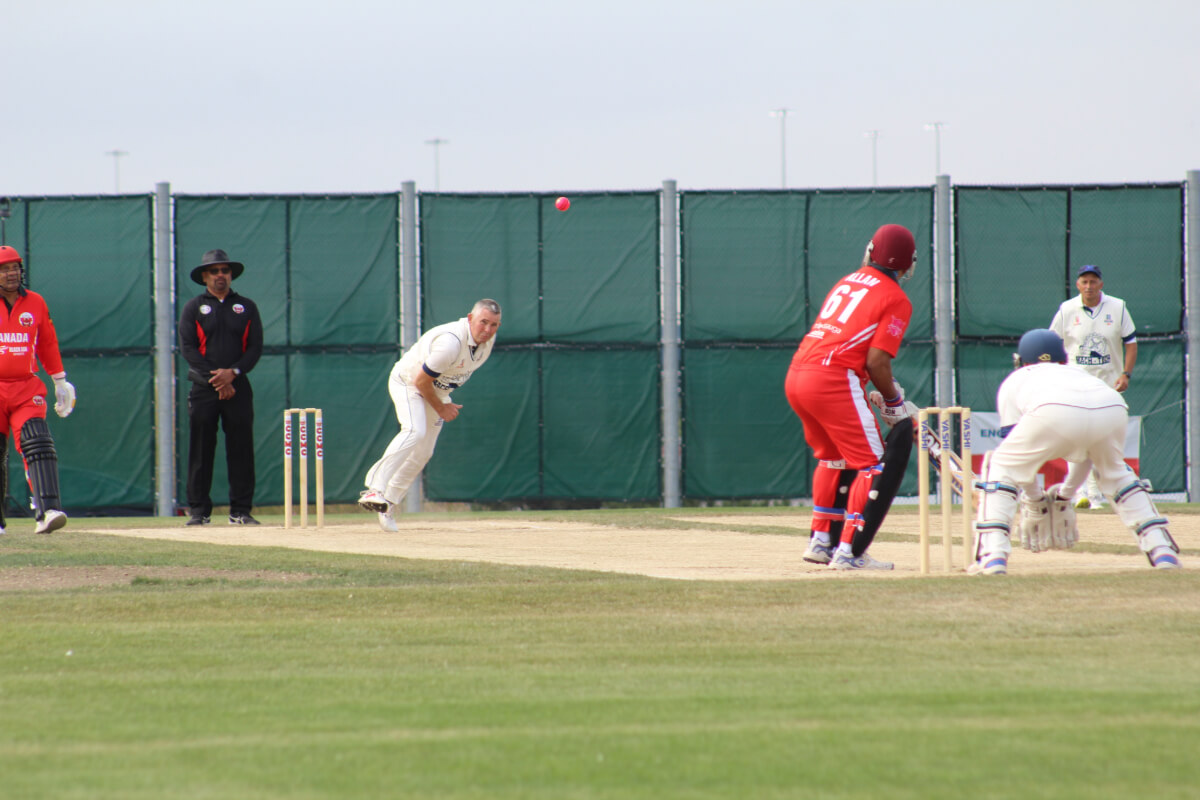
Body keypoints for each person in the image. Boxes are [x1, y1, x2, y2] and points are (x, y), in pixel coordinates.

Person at [970, 328, 1180, 575]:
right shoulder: (1078, 373)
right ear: (1063, 358)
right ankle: (1161, 549)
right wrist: (1064, 496)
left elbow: (1020, 466)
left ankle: (993, 555)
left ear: (1020, 360)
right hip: (1111, 404)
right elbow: (1087, 457)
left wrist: (1036, 500)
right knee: (1116, 472)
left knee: (1001, 466)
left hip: (1052, 409)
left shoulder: (1016, 379)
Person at [784, 224, 918, 570]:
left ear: (871, 251)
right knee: (873, 463)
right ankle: (848, 552)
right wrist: (893, 403)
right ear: (908, 263)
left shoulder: (848, 280)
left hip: (799, 371)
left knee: (832, 459)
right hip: (833, 378)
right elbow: (876, 361)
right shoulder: (897, 298)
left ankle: (820, 540)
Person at [358, 299, 502, 531]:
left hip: (436, 391)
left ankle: (387, 504)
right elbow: (421, 381)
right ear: (469, 318)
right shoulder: (450, 343)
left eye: (494, 325)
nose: (487, 330)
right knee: (414, 430)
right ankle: (375, 488)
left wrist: (441, 400)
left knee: (423, 453)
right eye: (483, 322)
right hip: (409, 383)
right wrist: (442, 407)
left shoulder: (487, 340)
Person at [178, 249, 263, 526]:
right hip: (205, 387)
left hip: (238, 386)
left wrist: (233, 373)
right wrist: (216, 379)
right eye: (214, 271)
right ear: (204, 276)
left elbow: (254, 348)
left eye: (224, 271)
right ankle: (199, 511)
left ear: (230, 275)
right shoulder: (194, 307)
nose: (220, 276)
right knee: (201, 449)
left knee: (241, 449)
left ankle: (240, 510)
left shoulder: (246, 307)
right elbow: (188, 348)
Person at [0, 246, 75, 535]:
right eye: (5, 269)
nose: (11, 274)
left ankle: (48, 511)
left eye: (15, 267)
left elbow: (47, 344)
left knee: (38, 441)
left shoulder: (35, 302)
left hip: (25, 388)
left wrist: (59, 381)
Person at [1049, 265, 1137, 509]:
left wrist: (1126, 374)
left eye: (1093, 281)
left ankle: (1102, 491)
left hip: (1108, 386)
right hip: (1075, 384)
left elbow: (1131, 343)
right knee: (1077, 438)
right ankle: (1085, 494)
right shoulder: (1067, 310)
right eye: (1084, 282)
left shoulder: (1117, 307)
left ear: (1101, 284)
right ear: (1078, 285)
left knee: (1103, 439)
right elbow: (1052, 343)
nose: (1089, 286)